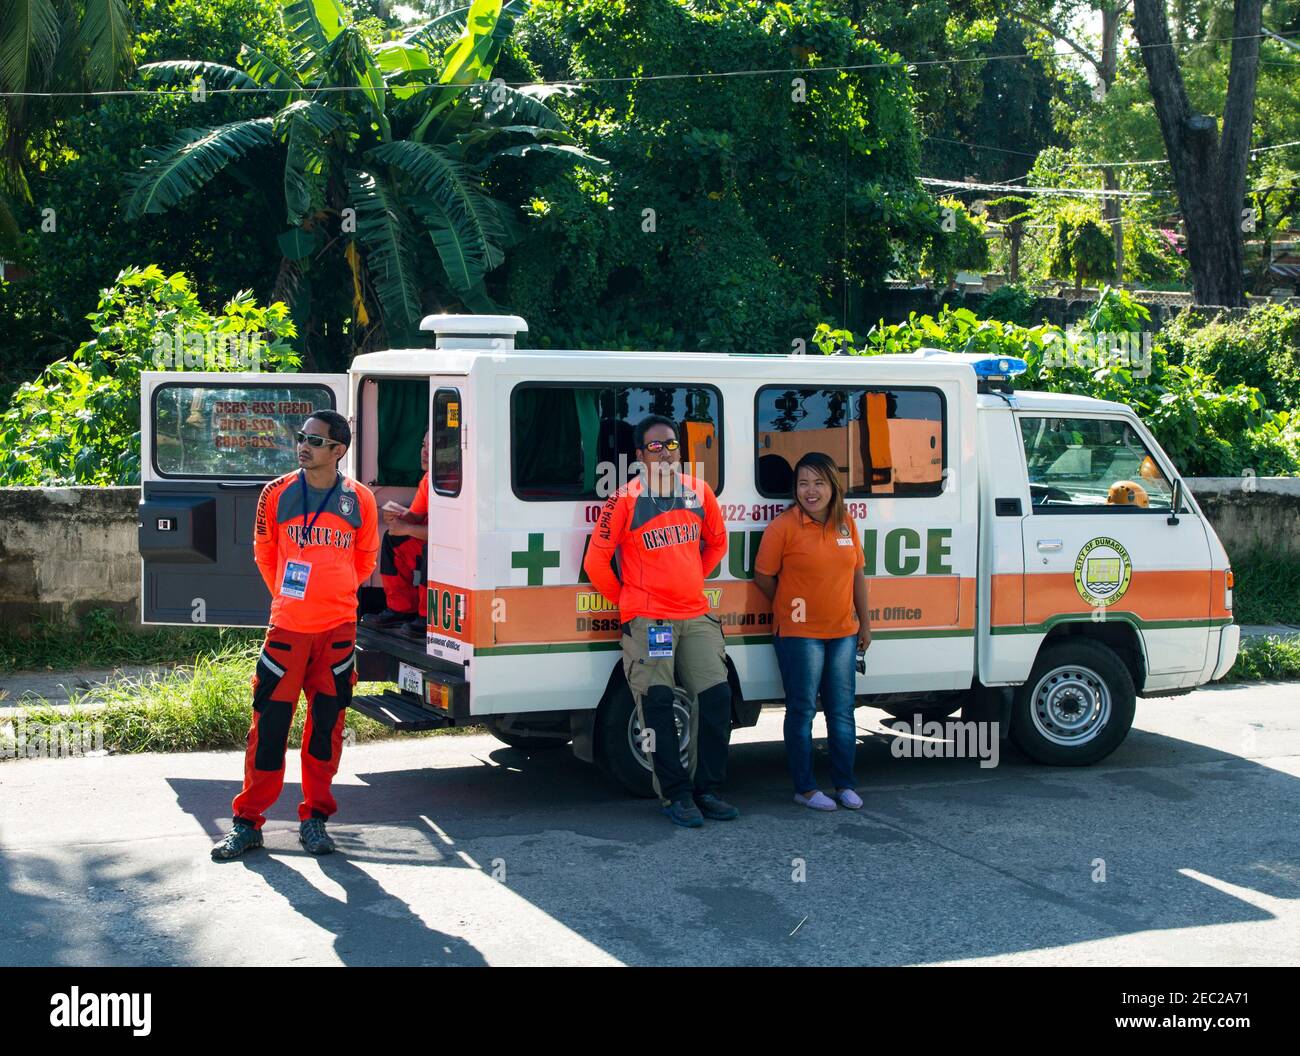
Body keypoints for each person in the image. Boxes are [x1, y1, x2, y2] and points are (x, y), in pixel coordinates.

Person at [211, 410, 379, 860]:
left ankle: (315, 821)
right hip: (287, 630)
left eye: (315, 440)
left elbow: (365, 561)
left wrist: (334, 594)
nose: (303, 445)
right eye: (301, 437)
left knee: (326, 728)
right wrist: (294, 601)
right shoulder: (276, 493)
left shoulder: (359, 499)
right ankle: (248, 823)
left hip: (338, 632)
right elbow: (265, 554)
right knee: (267, 730)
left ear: (338, 450)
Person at [583, 414, 735, 828]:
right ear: (639, 455)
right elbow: (595, 561)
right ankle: (676, 795)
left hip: (695, 614)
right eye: (655, 446)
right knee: (658, 705)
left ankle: (708, 790)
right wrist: (630, 602)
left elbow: (718, 542)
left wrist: (691, 578)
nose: (666, 452)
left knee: (717, 699)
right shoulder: (625, 499)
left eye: (671, 445)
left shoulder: (699, 492)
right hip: (650, 622)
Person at [754, 451, 871, 812]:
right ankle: (804, 788)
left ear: (833, 487)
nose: (810, 491)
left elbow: (857, 574)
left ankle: (845, 785)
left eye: (819, 483)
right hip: (799, 635)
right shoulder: (784, 526)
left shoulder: (846, 524)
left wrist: (864, 623)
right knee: (802, 710)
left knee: (841, 712)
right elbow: (763, 576)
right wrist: (789, 608)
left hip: (843, 634)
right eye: (803, 483)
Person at [363, 433, 430, 639]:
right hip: (430, 538)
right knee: (394, 539)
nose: (425, 451)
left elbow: (451, 535)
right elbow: (415, 516)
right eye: (422, 444)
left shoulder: (459, 479)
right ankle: (401, 610)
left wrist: (407, 528)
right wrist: (397, 518)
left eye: (434, 445)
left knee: (433, 548)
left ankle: (427, 617)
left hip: (453, 549)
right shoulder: (429, 479)